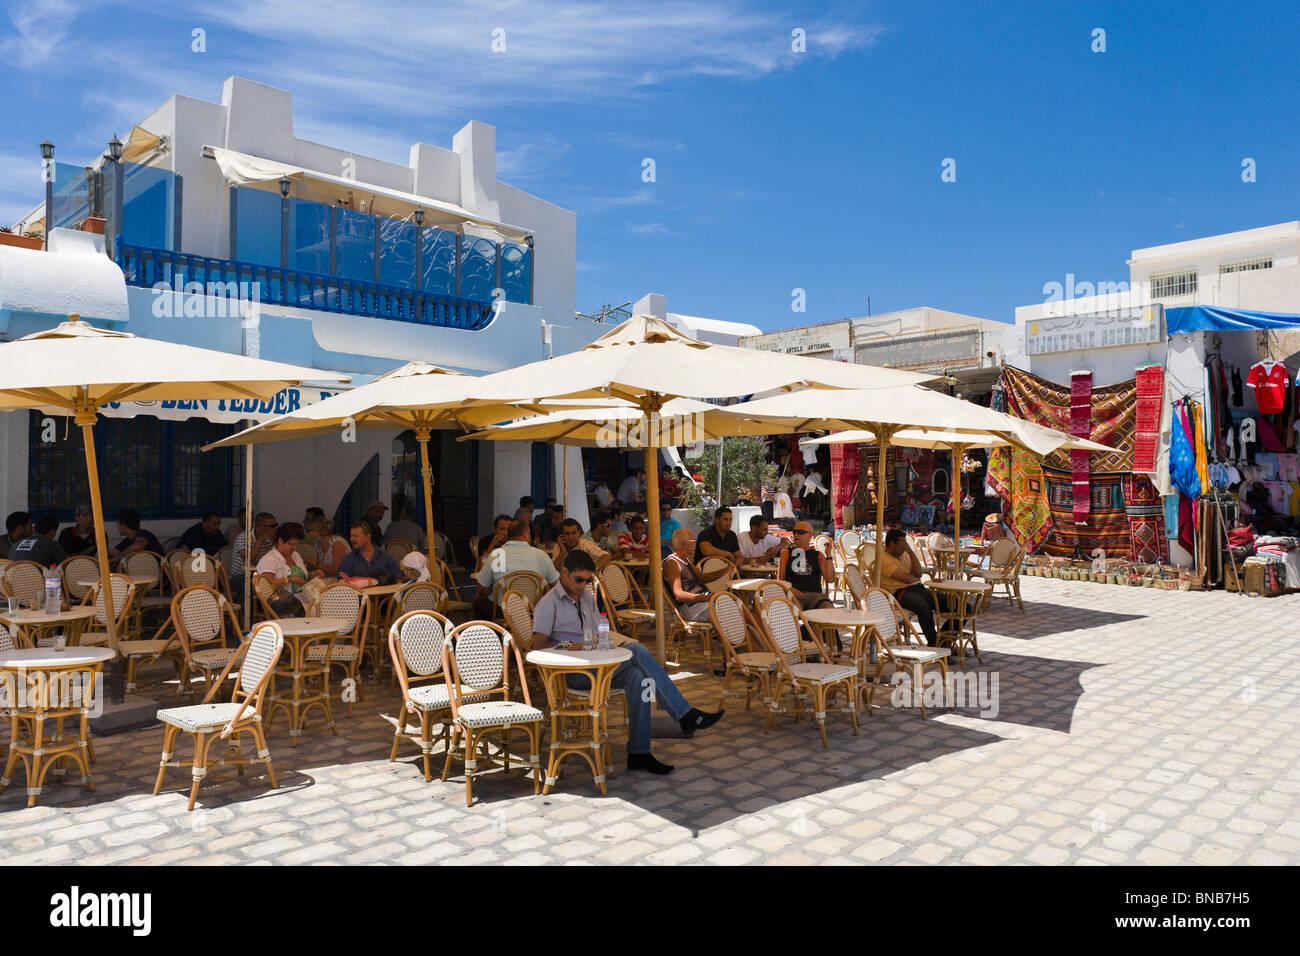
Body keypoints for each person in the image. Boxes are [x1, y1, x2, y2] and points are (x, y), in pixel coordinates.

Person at [533, 549, 723, 775]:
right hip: (572, 674)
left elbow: (597, 631)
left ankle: (639, 753)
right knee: (639, 651)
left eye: (588, 580)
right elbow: (537, 646)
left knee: (639, 678)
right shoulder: (548, 603)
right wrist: (567, 646)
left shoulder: (586, 598)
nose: (583, 585)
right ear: (564, 572)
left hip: (597, 664)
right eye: (579, 579)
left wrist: (606, 642)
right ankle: (685, 715)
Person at [472, 519, 558, 618]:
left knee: (479, 603)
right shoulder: (541, 555)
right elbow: (555, 585)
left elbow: (482, 588)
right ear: (525, 534)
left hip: (503, 611)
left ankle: (495, 632)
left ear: (509, 536)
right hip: (532, 611)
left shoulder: (497, 554)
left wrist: (495, 588)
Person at [878, 528, 940, 646]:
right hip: (899, 593)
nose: (905, 546)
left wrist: (911, 553)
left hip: (918, 588)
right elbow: (905, 578)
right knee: (923, 607)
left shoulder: (906, 553)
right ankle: (934, 644)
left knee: (959, 605)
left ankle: (944, 641)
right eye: (903, 543)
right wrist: (915, 577)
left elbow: (919, 573)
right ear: (892, 543)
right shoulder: (883, 559)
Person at [664, 528, 733, 621]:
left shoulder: (685, 559)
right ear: (684, 543)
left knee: (739, 611)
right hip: (693, 608)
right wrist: (706, 598)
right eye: (693, 541)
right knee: (732, 618)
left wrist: (726, 570)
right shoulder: (672, 563)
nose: (694, 544)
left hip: (702, 602)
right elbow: (679, 595)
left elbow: (704, 578)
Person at [255, 522, 320, 616]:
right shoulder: (269, 559)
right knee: (320, 612)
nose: (295, 548)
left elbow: (302, 577)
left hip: (305, 598)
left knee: (326, 607)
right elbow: (265, 585)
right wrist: (289, 579)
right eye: (292, 544)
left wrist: (313, 574)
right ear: (280, 541)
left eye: (297, 544)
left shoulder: (295, 555)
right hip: (289, 606)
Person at [778, 522, 836, 610]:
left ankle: (813, 624)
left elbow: (830, 579)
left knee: (828, 608)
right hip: (794, 596)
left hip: (815, 596)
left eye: (800, 532)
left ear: (810, 536)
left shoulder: (818, 555)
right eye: (794, 532)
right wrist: (790, 589)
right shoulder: (786, 553)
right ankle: (807, 624)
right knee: (795, 610)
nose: (796, 534)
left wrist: (828, 556)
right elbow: (780, 581)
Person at [339, 521, 402, 586]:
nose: (352, 539)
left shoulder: (386, 556)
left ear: (368, 537)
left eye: (356, 536)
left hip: (384, 595)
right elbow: (342, 583)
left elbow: (398, 579)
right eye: (351, 536)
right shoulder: (348, 559)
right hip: (358, 595)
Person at [232, 512, 278, 600]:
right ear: (259, 526)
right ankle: (249, 613)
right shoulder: (243, 537)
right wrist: (260, 540)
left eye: (274, 525)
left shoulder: (269, 540)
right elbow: (248, 560)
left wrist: (275, 542)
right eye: (271, 526)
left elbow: (274, 559)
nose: (273, 529)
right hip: (240, 576)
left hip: (259, 574)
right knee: (249, 587)